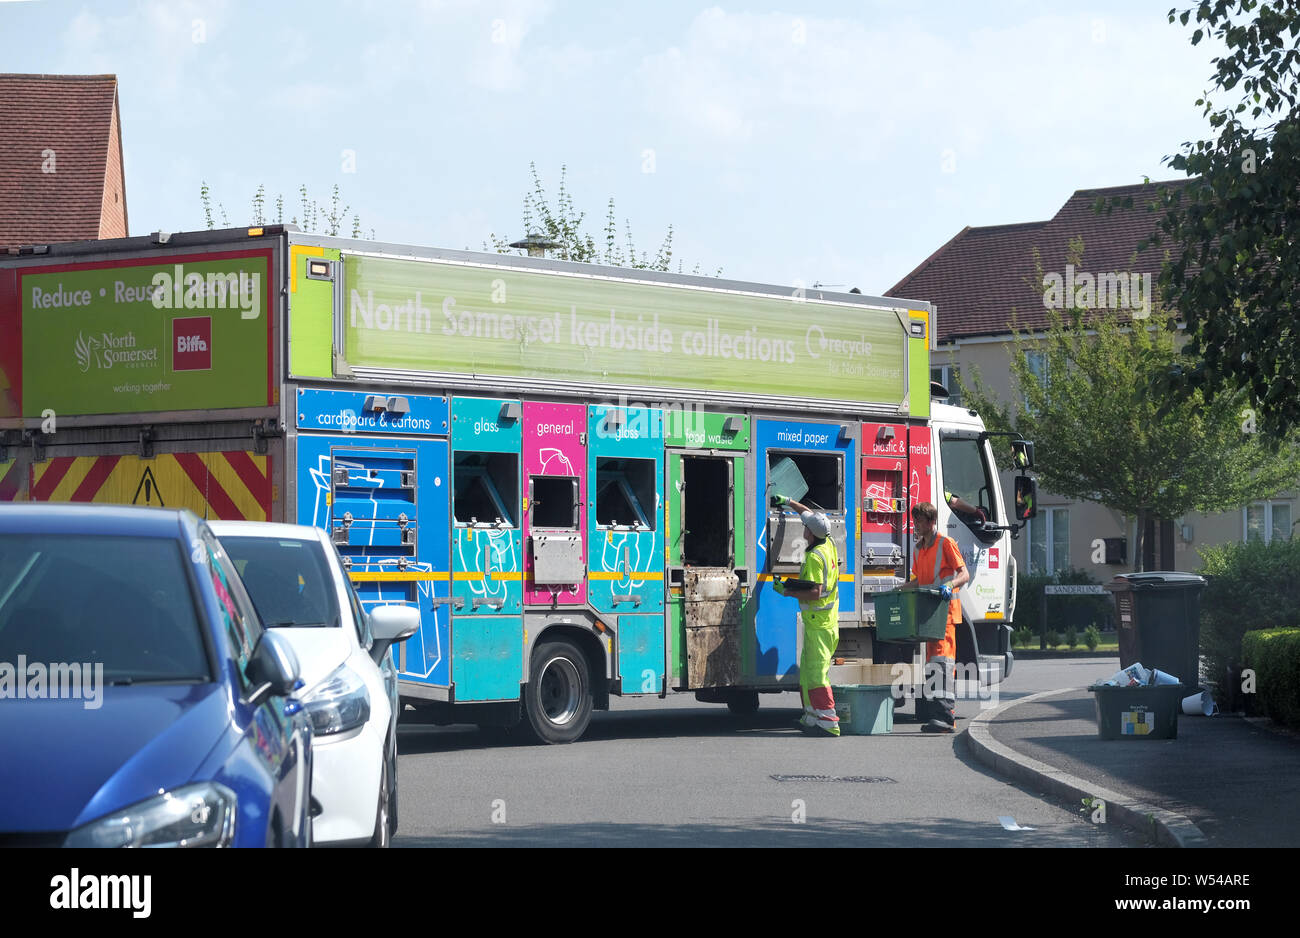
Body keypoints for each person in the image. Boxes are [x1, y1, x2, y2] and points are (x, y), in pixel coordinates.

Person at [770, 494, 841, 737]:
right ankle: (812, 718)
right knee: (809, 673)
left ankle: (829, 722)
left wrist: (786, 591)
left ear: (809, 533)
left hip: (819, 624)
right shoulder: (828, 542)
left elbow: (815, 591)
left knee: (818, 674)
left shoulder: (813, 557)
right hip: (823, 624)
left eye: (805, 527)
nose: (803, 527)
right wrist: (789, 501)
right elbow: (809, 514)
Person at [909, 501, 969, 733]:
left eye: (920, 521)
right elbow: (919, 580)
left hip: (945, 613)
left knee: (943, 663)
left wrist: (950, 585)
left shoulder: (946, 543)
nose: (916, 525)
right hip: (929, 614)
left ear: (932, 522)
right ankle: (938, 716)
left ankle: (946, 717)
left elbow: (964, 574)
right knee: (934, 666)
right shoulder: (918, 548)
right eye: (915, 520)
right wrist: (900, 589)